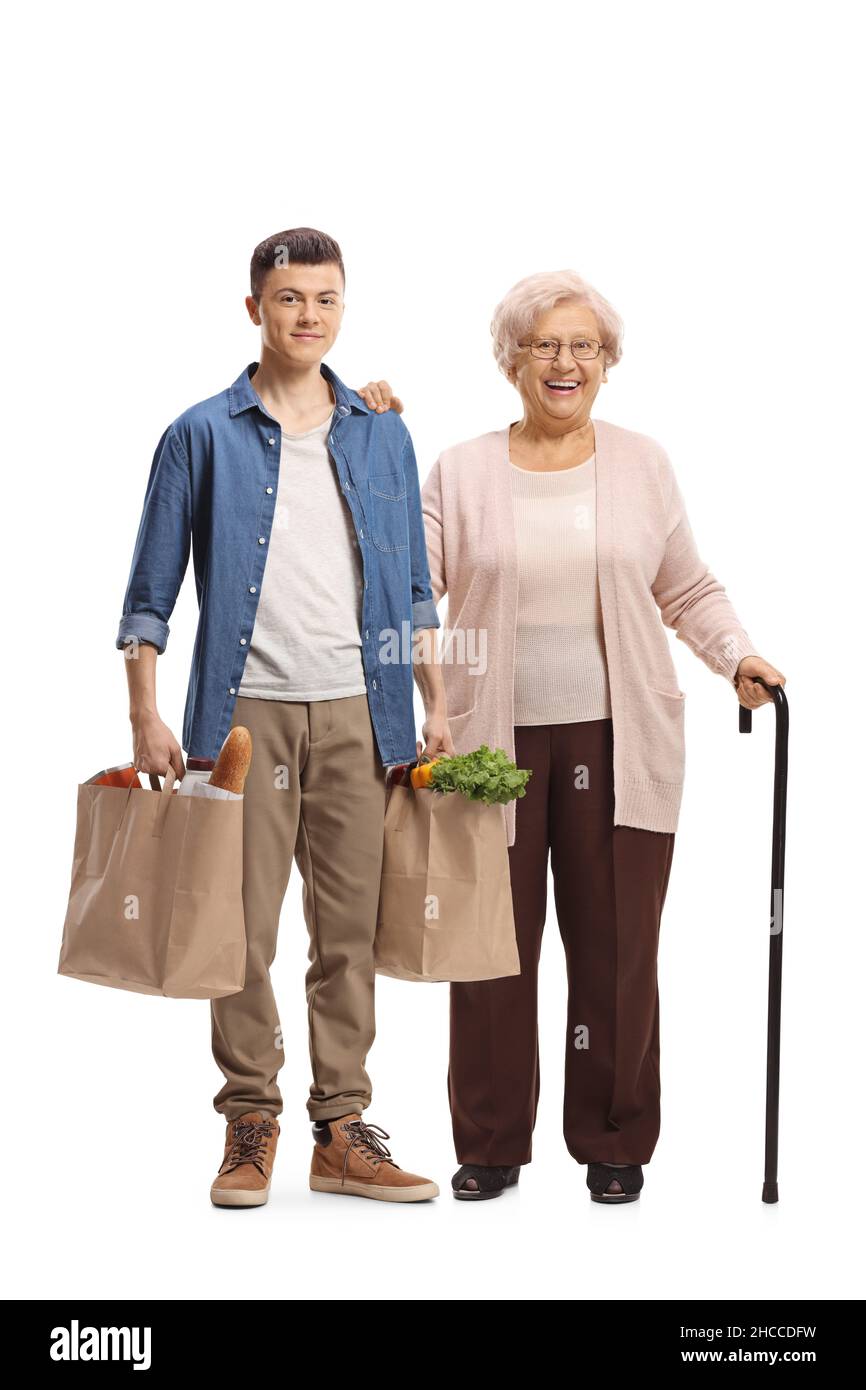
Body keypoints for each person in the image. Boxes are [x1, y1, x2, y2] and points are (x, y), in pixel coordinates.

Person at [375, 269, 785, 1204]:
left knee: (615, 947)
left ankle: (614, 1138)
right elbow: (403, 588)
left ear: (607, 363)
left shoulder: (641, 464)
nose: (565, 363)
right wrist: (368, 443)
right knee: (489, 949)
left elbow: (685, 588)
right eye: (545, 346)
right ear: (511, 359)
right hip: (488, 749)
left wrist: (739, 658)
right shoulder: (462, 468)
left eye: (584, 347)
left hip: (618, 738)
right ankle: (488, 1142)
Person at [117, 227, 452, 1207]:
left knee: (348, 930)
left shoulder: (381, 429)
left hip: (361, 709)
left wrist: (434, 705)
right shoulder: (199, 433)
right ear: (253, 308)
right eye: (288, 298)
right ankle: (249, 1118)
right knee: (239, 926)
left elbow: (409, 590)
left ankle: (341, 1128)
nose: (307, 315)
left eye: (325, 298)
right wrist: (144, 711)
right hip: (244, 714)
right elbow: (149, 590)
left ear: (342, 307)